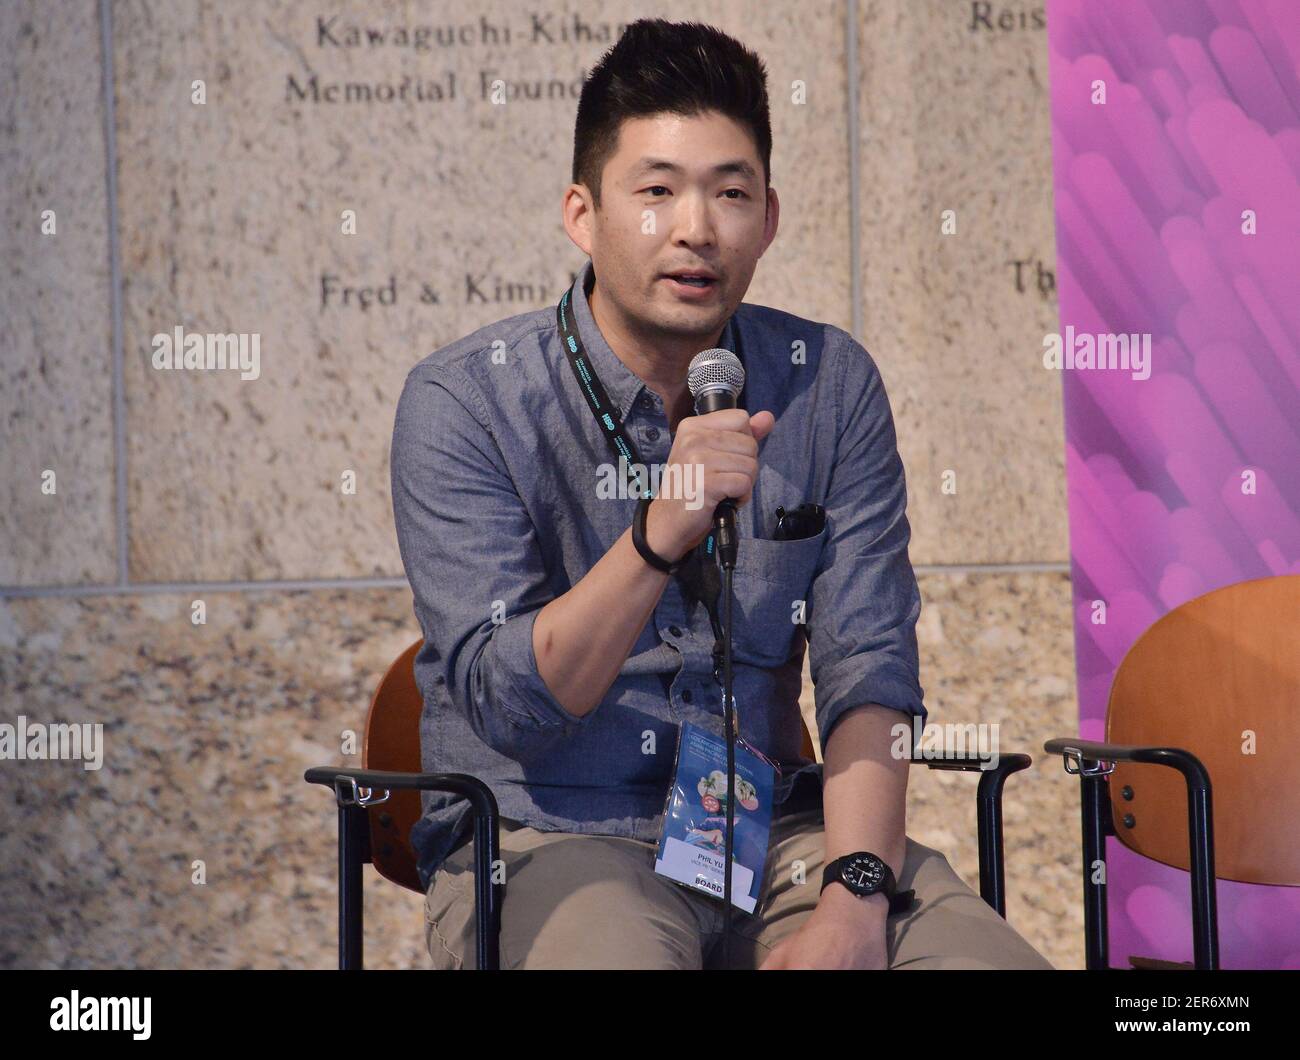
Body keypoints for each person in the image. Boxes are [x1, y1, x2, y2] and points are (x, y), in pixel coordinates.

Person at [390, 18, 1053, 971]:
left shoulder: (824, 383)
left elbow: (870, 666)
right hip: (549, 832)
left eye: (729, 193)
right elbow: (511, 706)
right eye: (656, 191)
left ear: (770, 218)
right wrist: (659, 535)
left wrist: (856, 898)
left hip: (773, 833)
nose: (696, 227)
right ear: (583, 214)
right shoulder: (469, 401)